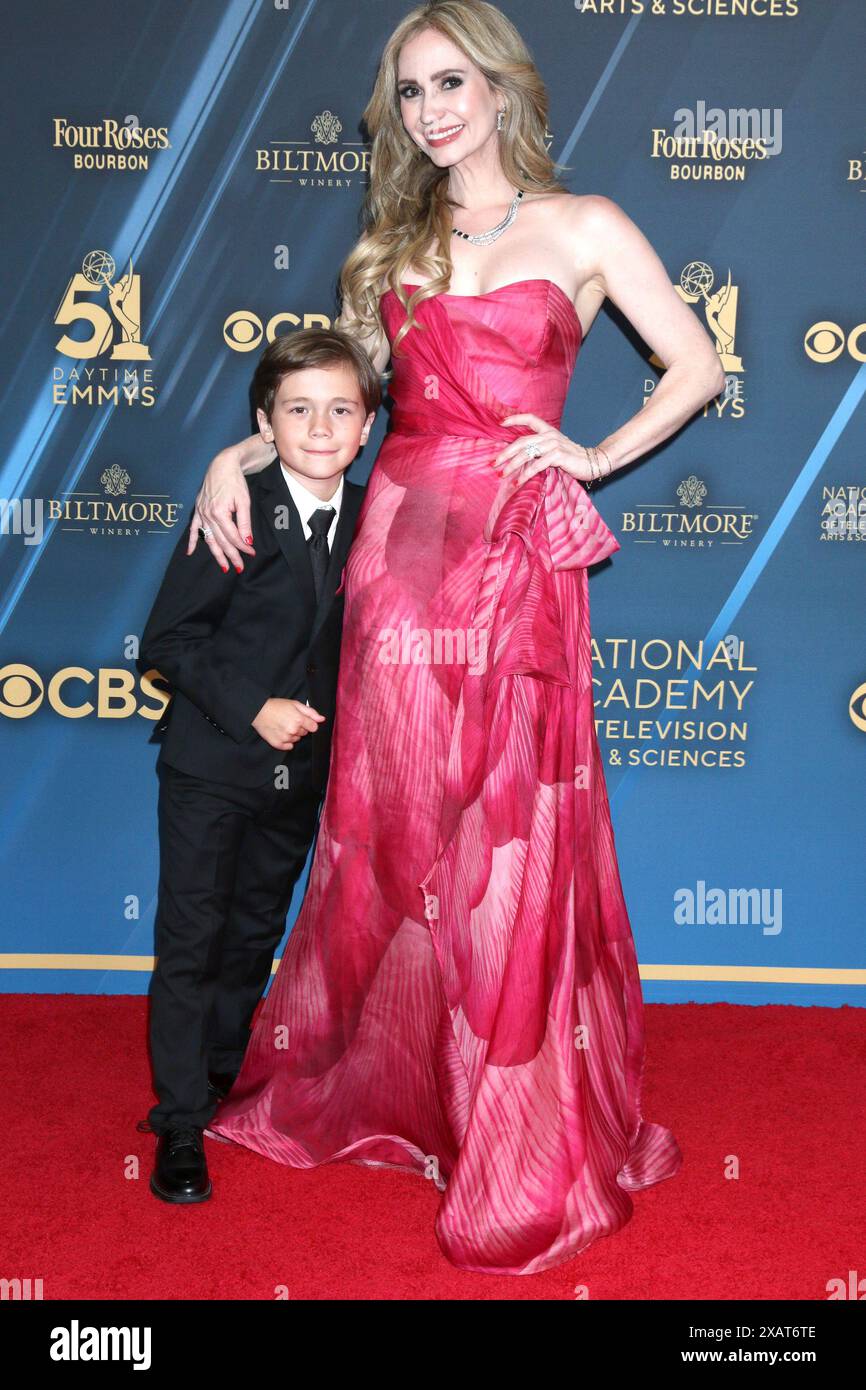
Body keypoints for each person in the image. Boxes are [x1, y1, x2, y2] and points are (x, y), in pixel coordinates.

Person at [189, 0, 725, 1273]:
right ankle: (416, 1099)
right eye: (410, 93)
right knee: (403, 826)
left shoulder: (583, 225)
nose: (431, 110)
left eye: (449, 83)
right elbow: (348, 408)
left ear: (497, 86)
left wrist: (590, 457)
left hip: (518, 552)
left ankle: (519, 1131)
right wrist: (242, 447)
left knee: (516, 828)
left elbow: (694, 364)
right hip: (402, 558)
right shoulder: (387, 248)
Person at [138, 327, 378, 1203]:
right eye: (298, 409)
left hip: (299, 780)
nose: (320, 427)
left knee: (250, 940)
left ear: (366, 427)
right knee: (192, 942)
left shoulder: (373, 515)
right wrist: (253, 706)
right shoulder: (233, 505)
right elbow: (167, 641)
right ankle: (177, 1126)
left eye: (341, 410)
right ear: (265, 422)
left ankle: (213, 1085)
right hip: (211, 764)